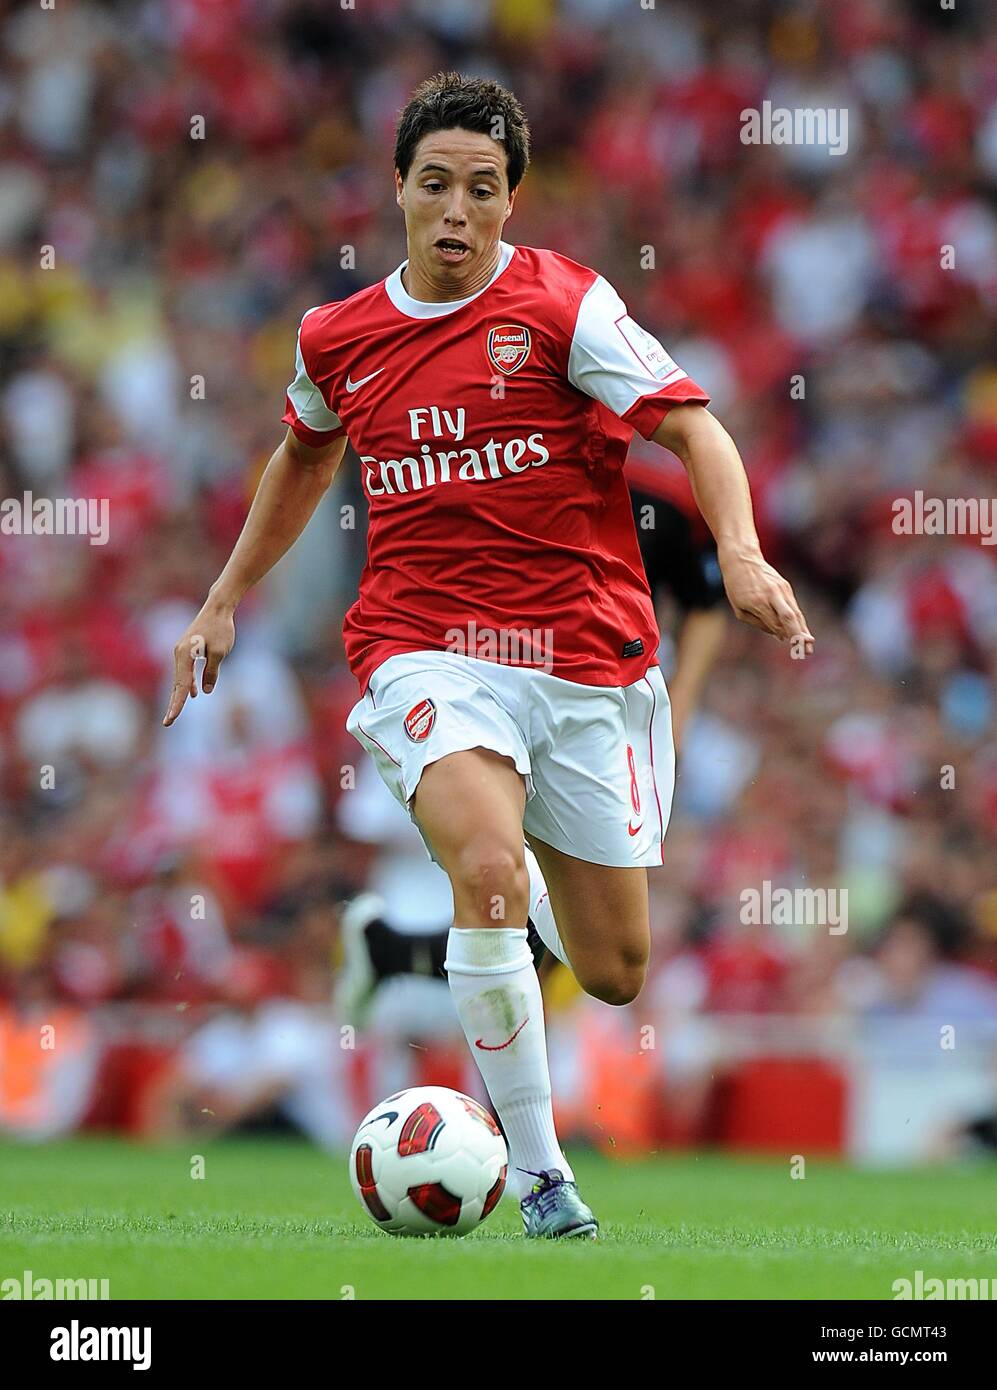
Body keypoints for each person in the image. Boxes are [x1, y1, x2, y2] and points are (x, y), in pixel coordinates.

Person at [164, 72, 812, 1238]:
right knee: (489, 866)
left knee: (615, 969)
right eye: (434, 185)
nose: (455, 210)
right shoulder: (338, 334)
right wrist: (222, 599)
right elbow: (304, 455)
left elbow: (693, 425)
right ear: (398, 191)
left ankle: (394, 951)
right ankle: (541, 1173)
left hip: (586, 665)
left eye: (481, 189)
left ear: (512, 200)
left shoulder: (568, 309)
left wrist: (746, 554)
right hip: (427, 649)